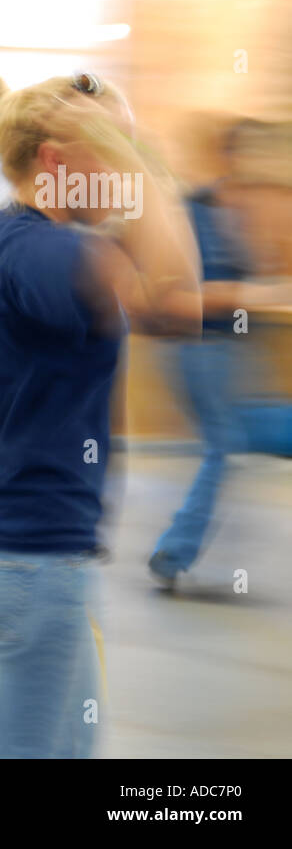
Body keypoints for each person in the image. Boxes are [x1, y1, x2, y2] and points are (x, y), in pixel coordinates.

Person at [0, 71, 201, 757]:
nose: (128, 162)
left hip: (6, 552)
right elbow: (177, 302)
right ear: (57, 160)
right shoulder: (50, 252)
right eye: (114, 147)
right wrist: (148, 175)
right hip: (25, 561)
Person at [148, 115, 292, 587]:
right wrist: (256, 293)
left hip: (234, 348)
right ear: (229, 158)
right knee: (224, 446)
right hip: (199, 348)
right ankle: (172, 553)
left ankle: (174, 551)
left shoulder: (243, 213)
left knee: (247, 436)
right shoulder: (195, 211)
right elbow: (182, 294)